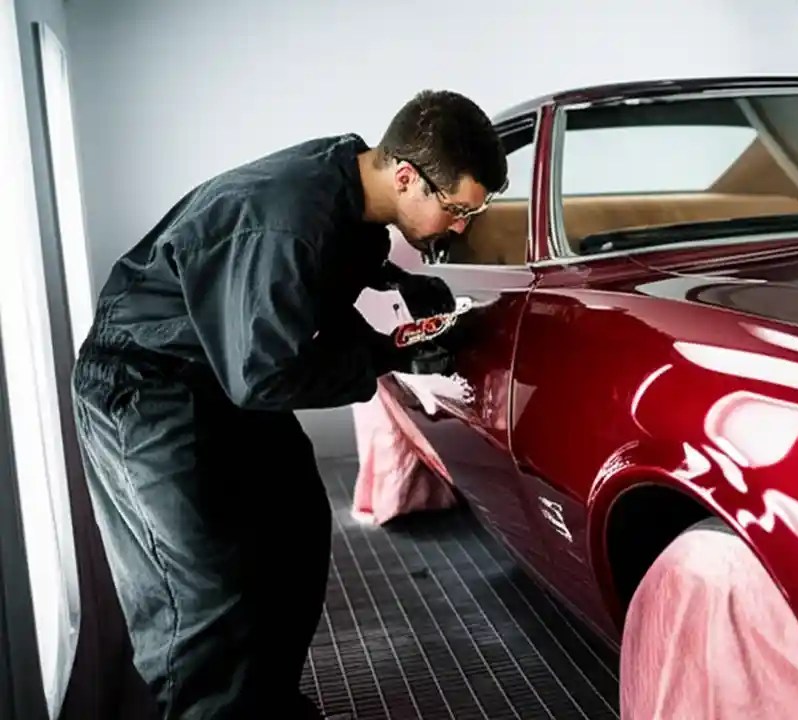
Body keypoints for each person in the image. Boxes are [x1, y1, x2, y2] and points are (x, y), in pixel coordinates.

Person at [69, 89, 507, 719]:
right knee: (201, 598)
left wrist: (401, 283)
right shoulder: (289, 219)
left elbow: (321, 271)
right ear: (407, 177)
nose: (462, 226)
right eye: (457, 209)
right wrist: (389, 355)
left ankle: (262, 706)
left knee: (293, 533)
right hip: (146, 387)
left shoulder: (349, 179)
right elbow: (267, 376)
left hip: (222, 377)